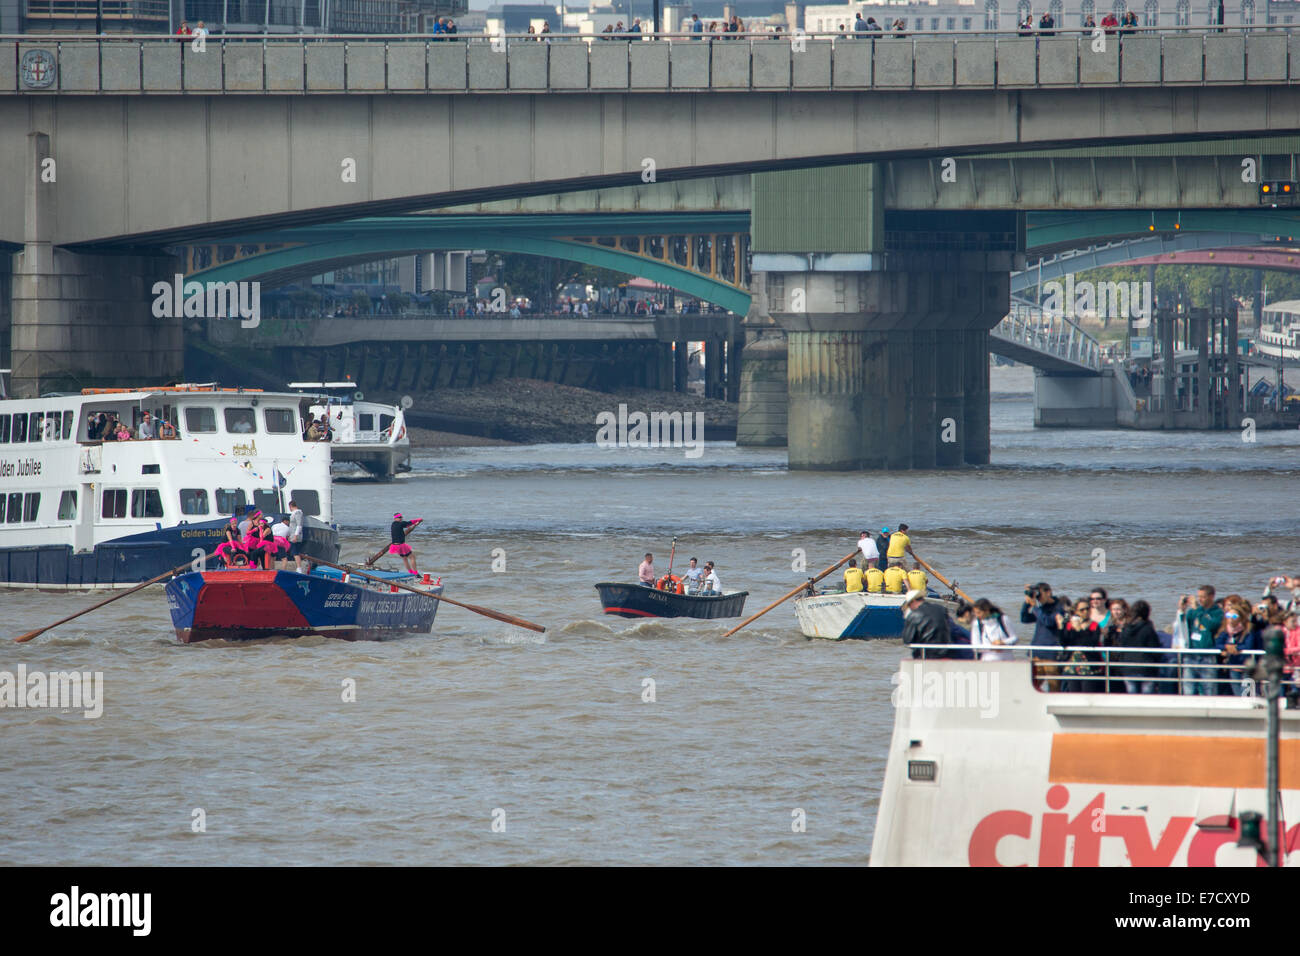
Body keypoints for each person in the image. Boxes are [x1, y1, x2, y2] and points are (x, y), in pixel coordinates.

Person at [1021, 582, 1068, 691]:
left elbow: (1049, 622)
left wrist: (1035, 607)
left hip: (1051, 654)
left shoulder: (1059, 607)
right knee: (1031, 687)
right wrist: (1027, 602)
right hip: (1036, 653)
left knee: (1054, 688)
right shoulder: (1041, 608)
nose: (1038, 598)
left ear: (1048, 592)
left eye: (1039, 594)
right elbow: (1024, 618)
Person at [1180, 585, 1224, 696]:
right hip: (1191, 655)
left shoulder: (1218, 613)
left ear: (1211, 597)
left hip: (1207, 656)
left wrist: (1197, 611)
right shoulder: (1193, 611)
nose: (1200, 599)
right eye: (1198, 597)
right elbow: (1183, 625)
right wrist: (1181, 610)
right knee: (1188, 689)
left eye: (1203, 597)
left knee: (1209, 689)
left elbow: (1210, 625)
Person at [1115, 600, 1162, 694]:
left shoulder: (1126, 629)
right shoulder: (1148, 629)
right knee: (1147, 697)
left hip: (1128, 667)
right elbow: (1155, 649)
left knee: (1132, 696)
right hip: (1146, 668)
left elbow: (1120, 646)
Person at [1216, 601, 1261, 696]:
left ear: (1241, 618)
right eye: (1228, 616)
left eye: (1234, 616)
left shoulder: (1247, 630)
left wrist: (1236, 648)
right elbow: (1218, 643)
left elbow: (1248, 646)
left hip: (1246, 666)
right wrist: (1227, 647)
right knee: (1237, 694)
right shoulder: (1225, 631)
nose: (1231, 619)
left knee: (1246, 693)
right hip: (1234, 666)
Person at [901, 589, 951, 658]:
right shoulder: (941, 609)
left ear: (913, 602)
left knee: (916, 663)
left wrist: (907, 618)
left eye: (909, 605)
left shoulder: (914, 615)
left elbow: (907, 640)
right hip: (945, 652)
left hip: (925, 654)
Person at [287, 499, 306, 573]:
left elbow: (299, 525)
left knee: (295, 552)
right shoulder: (294, 513)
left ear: (290, 506)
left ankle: (299, 568)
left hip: (295, 536)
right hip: (292, 535)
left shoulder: (297, 513)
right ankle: (298, 567)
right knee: (294, 552)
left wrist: (295, 535)